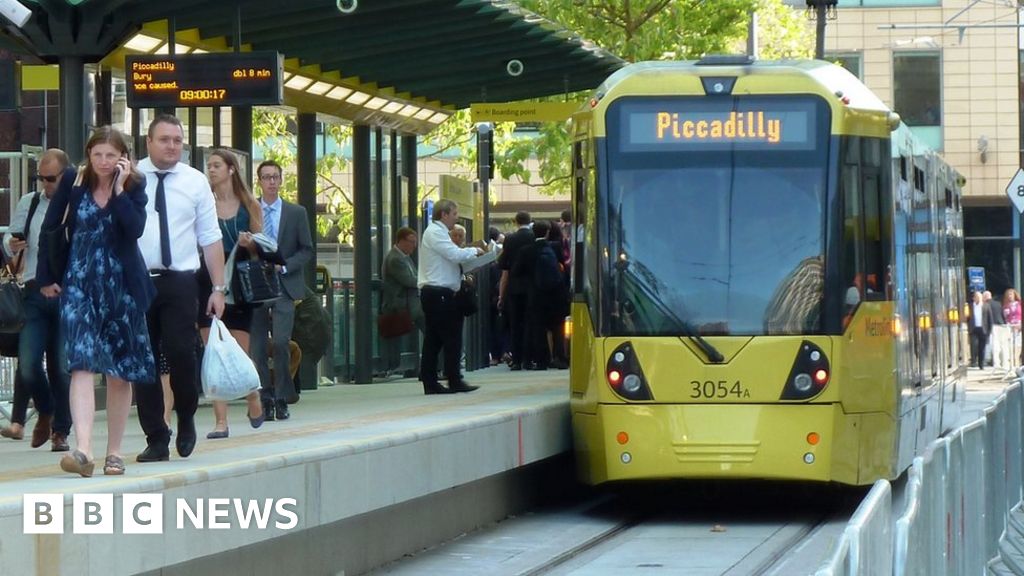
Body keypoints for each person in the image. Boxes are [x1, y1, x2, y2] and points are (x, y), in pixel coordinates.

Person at [36, 126, 155, 477]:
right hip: (80, 283)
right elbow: (50, 228)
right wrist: (45, 278)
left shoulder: (135, 185)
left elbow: (134, 230)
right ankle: (84, 449)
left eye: (110, 156)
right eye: (97, 154)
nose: (103, 162)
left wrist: (118, 190)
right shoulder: (74, 182)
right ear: (88, 155)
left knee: (120, 371)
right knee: (82, 363)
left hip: (122, 287)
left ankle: (114, 452)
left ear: (123, 158)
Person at [134, 114, 227, 463]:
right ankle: (156, 436)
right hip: (139, 280)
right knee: (143, 362)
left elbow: (210, 237)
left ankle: (186, 415)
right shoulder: (131, 177)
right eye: (165, 139)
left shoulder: (195, 181)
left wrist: (218, 288)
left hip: (181, 281)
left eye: (177, 140)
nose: (172, 146)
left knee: (181, 353)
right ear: (149, 142)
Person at [1, 148, 73, 451]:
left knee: (60, 367)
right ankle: (46, 409)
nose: (45, 184)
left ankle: (60, 432)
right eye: (40, 178)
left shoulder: (76, 204)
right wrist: (12, 244)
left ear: (66, 176)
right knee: (28, 364)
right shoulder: (29, 203)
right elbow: (7, 245)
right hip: (33, 291)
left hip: (67, 294)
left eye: (51, 178)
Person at [202, 149, 267, 439]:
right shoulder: (203, 203)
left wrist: (250, 242)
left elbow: (262, 247)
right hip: (206, 279)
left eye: (216, 165)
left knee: (238, 353)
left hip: (239, 282)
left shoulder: (250, 204)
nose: (211, 170)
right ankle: (220, 421)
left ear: (231, 169)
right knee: (213, 352)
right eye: (209, 166)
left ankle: (252, 394)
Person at [249, 160, 314, 421]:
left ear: (281, 180)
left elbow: (306, 249)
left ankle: (282, 395)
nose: (271, 182)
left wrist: (285, 267)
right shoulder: (250, 210)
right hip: (256, 285)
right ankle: (265, 396)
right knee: (257, 346)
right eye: (266, 177)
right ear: (259, 181)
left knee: (280, 342)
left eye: (275, 177)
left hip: (285, 285)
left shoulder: (296, 213)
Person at [418, 199, 484, 394]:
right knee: (451, 338)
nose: (456, 217)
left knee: (434, 340)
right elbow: (454, 254)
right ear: (444, 214)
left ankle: (432, 381)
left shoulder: (437, 233)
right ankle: (453, 379)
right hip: (439, 294)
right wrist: (475, 251)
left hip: (438, 293)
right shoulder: (435, 233)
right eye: (454, 214)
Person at [380, 227, 422, 373]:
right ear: (401, 241)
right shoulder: (395, 259)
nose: (414, 246)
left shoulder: (405, 257)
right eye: (411, 242)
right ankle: (392, 366)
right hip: (400, 306)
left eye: (415, 242)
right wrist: (425, 281)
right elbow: (409, 280)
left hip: (410, 305)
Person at [498, 211, 534, 371]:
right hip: (533, 286)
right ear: (530, 221)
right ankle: (528, 359)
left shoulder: (510, 239)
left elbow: (504, 266)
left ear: (516, 222)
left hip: (514, 286)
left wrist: (501, 294)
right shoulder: (533, 237)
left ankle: (517, 359)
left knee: (515, 324)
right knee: (530, 323)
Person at [987, 290, 1011, 373]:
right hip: (1003, 325)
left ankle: (997, 363)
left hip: (994, 326)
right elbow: (1002, 315)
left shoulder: (986, 304)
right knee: (1004, 345)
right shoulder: (998, 304)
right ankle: (1005, 363)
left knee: (995, 346)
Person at [969, 290, 992, 370]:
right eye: (975, 297)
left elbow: (990, 319)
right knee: (974, 345)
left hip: (983, 329)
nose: (976, 298)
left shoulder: (986, 306)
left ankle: (981, 364)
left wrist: (989, 330)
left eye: (978, 297)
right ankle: (973, 361)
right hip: (974, 329)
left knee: (982, 347)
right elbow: (967, 317)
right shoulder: (970, 306)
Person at [1005, 289, 1022, 372]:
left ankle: (1017, 363)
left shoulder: (1019, 304)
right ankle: (1012, 365)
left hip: (1018, 326)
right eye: (1008, 295)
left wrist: (1020, 325)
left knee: (1018, 346)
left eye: (1011, 294)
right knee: (1011, 346)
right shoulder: (1007, 306)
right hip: (1010, 327)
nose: (1010, 296)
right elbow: (1006, 318)